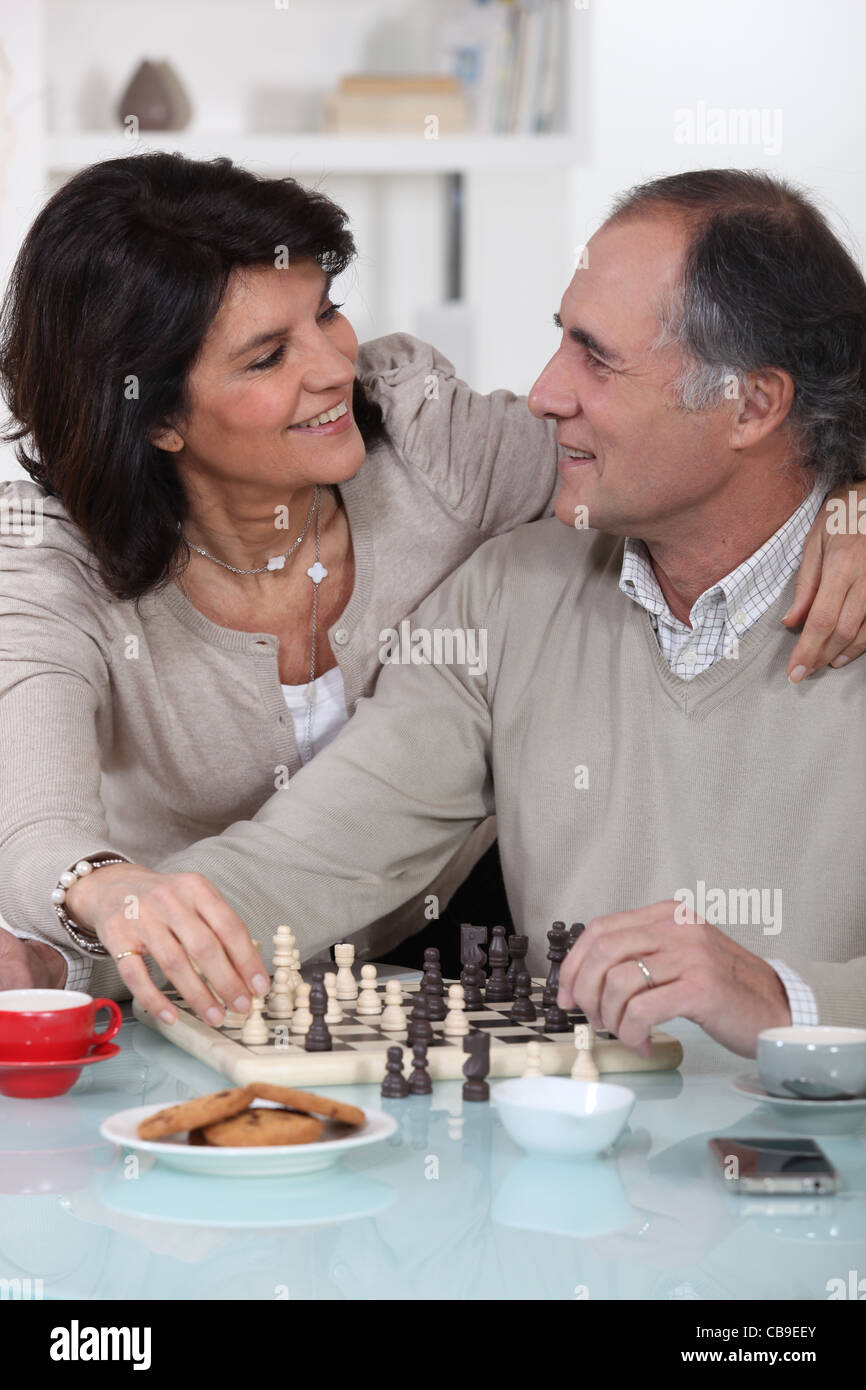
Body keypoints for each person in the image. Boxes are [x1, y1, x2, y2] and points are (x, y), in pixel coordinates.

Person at [51, 168, 866, 1056]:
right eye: (563, 341)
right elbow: (314, 857)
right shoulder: (509, 593)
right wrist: (57, 958)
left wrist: (789, 1000)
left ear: (750, 403)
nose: (547, 392)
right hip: (567, 1175)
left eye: (598, 356)